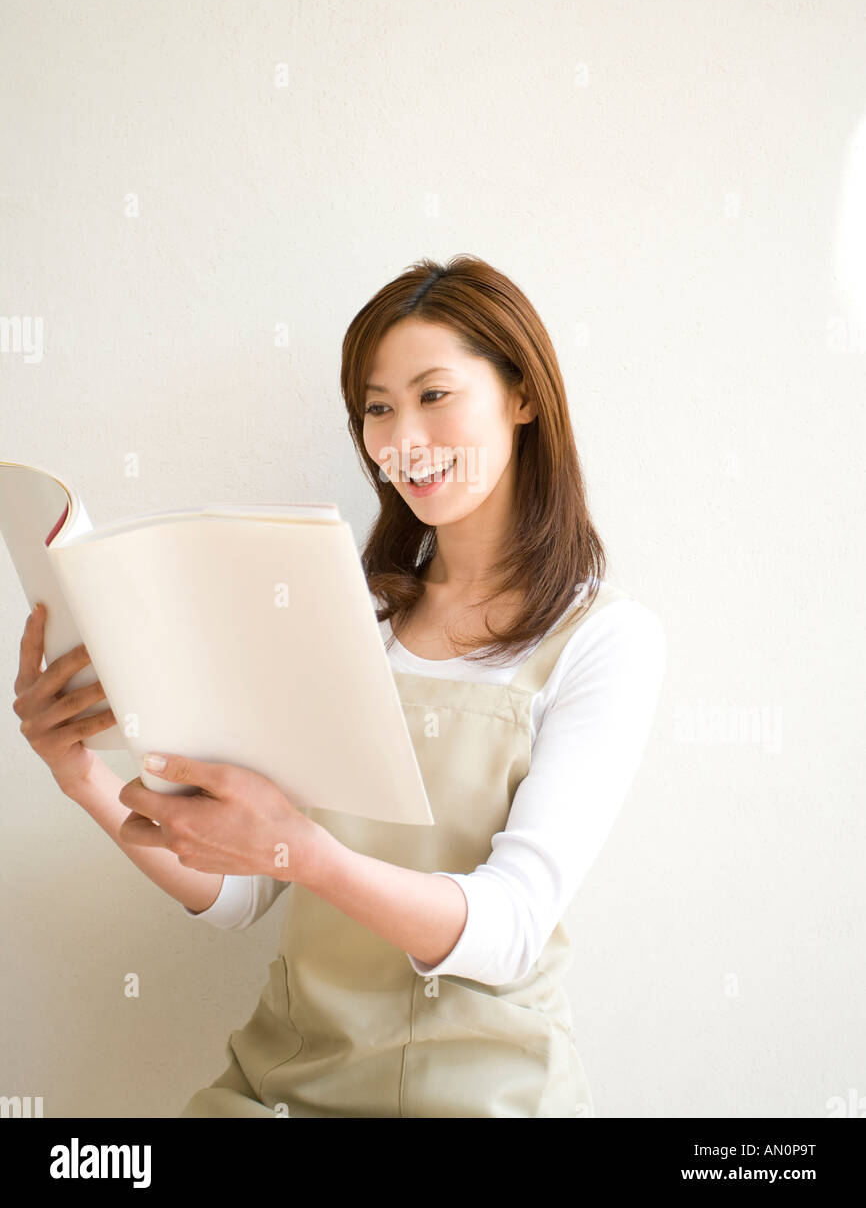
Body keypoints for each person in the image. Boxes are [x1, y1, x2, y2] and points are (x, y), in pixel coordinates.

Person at [13, 253, 666, 1118]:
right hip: (285, 1083)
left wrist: (303, 851)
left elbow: (511, 929)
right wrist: (79, 775)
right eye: (378, 409)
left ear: (523, 397)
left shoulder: (603, 640)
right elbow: (243, 893)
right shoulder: (351, 611)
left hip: (482, 1092)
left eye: (435, 396)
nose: (403, 441)